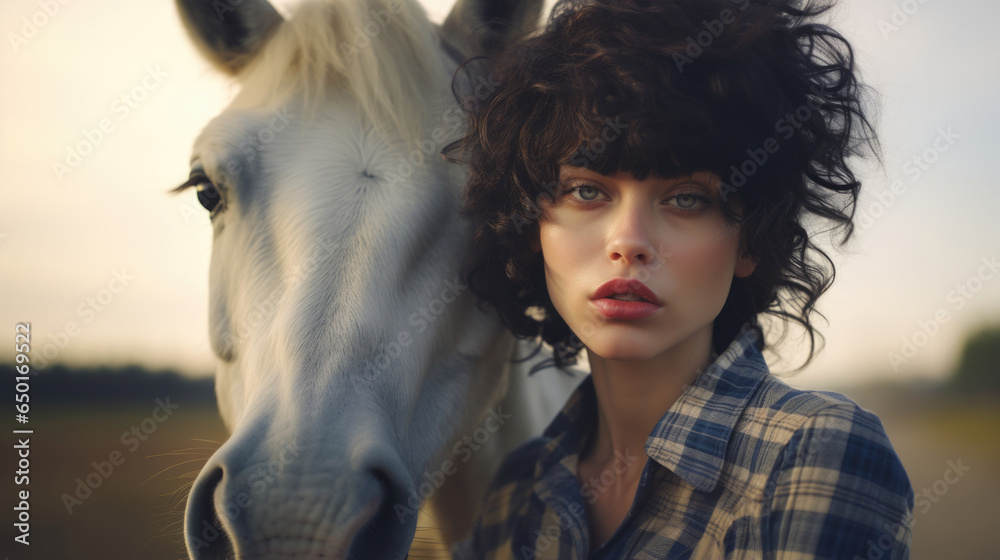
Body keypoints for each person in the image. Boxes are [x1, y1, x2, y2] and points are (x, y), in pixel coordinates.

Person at [440, 0, 914, 558]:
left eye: (687, 199)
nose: (629, 242)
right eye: (586, 191)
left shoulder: (814, 452)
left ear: (752, 242)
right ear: (531, 228)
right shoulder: (516, 493)